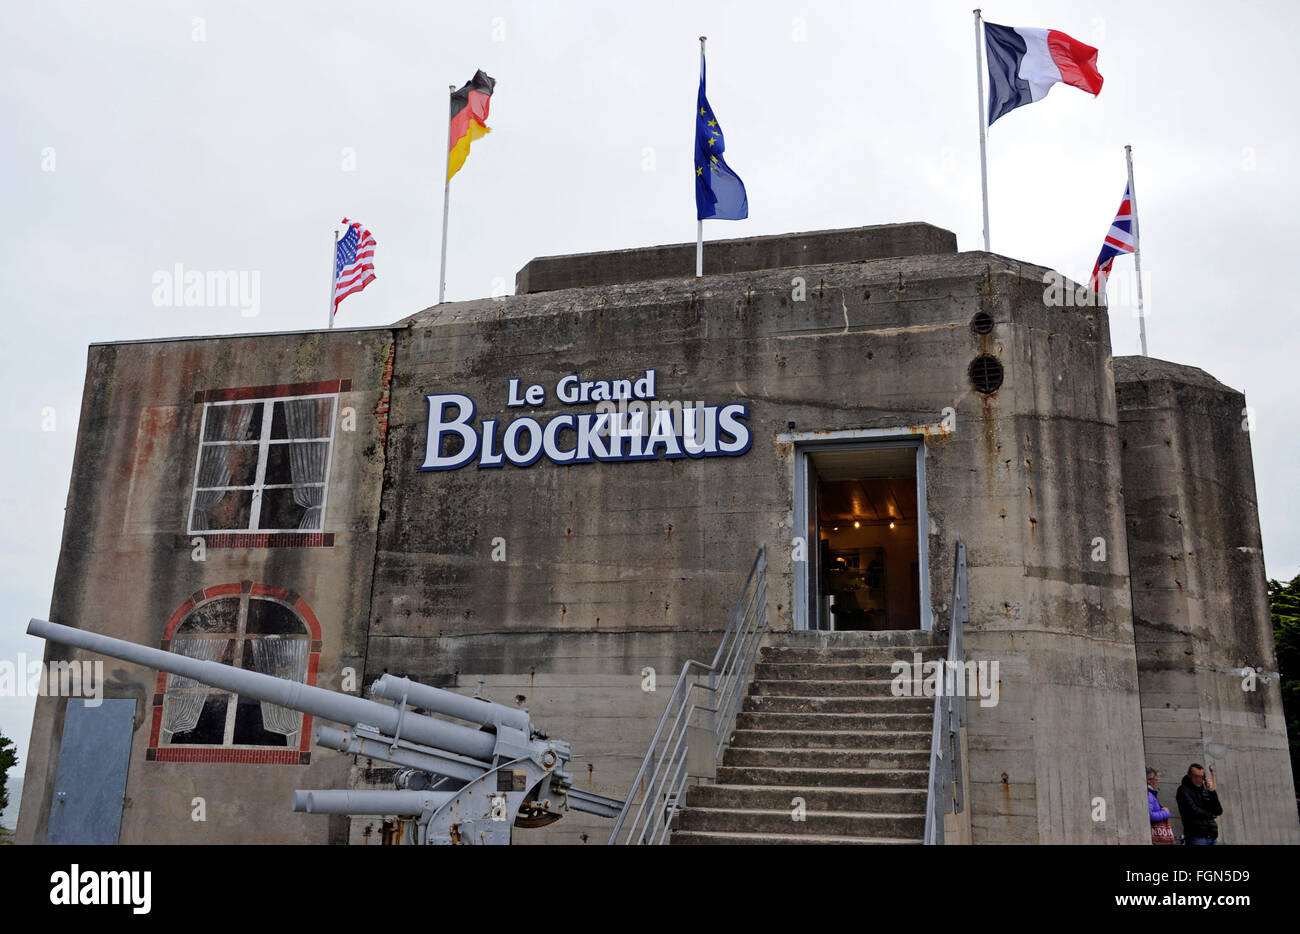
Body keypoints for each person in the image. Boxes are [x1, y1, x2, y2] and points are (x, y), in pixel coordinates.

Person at [1175, 762, 1223, 845]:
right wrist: (1210, 815)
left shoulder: (1205, 790)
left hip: (1212, 835)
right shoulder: (1183, 790)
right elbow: (1192, 810)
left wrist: (1212, 792)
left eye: (1201, 777)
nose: (1199, 779)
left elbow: (1218, 810)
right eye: (1196, 776)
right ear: (1189, 775)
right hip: (1196, 836)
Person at [1147, 767, 1175, 844]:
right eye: (1156, 780)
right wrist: (1166, 812)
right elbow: (1149, 815)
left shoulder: (1151, 794)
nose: (1157, 782)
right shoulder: (1149, 795)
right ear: (1149, 780)